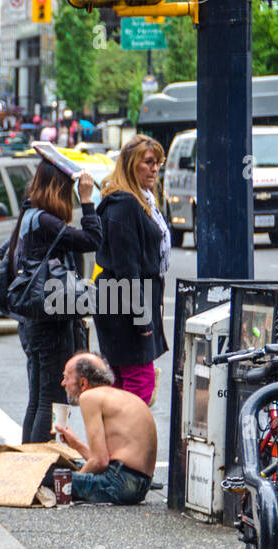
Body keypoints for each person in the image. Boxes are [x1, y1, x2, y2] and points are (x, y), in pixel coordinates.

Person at [1, 161, 101, 444]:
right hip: (50, 321)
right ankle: (42, 470)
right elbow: (93, 239)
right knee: (52, 398)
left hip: (33, 320)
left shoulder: (29, 215)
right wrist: (88, 201)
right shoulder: (46, 221)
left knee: (38, 398)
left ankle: (30, 466)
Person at [95, 134, 171, 407]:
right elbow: (128, 268)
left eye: (158, 163)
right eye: (148, 162)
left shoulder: (140, 200)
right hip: (124, 308)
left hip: (119, 303)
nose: (155, 169)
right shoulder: (126, 204)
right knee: (139, 384)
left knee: (121, 386)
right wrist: (142, 319)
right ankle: (128, 447)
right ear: (130, 165)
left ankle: (118, 447)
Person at [54, 352, 156, 504]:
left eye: (66, 377)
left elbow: (100, 462)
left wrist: (72, 482)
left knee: (51, 477)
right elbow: (106, 461)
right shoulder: (122, 395)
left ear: (83, 383)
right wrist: (76, 444)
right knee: (70, 470)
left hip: (120, 483)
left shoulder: (89, 397)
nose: (63, 383)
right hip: (138, 485)